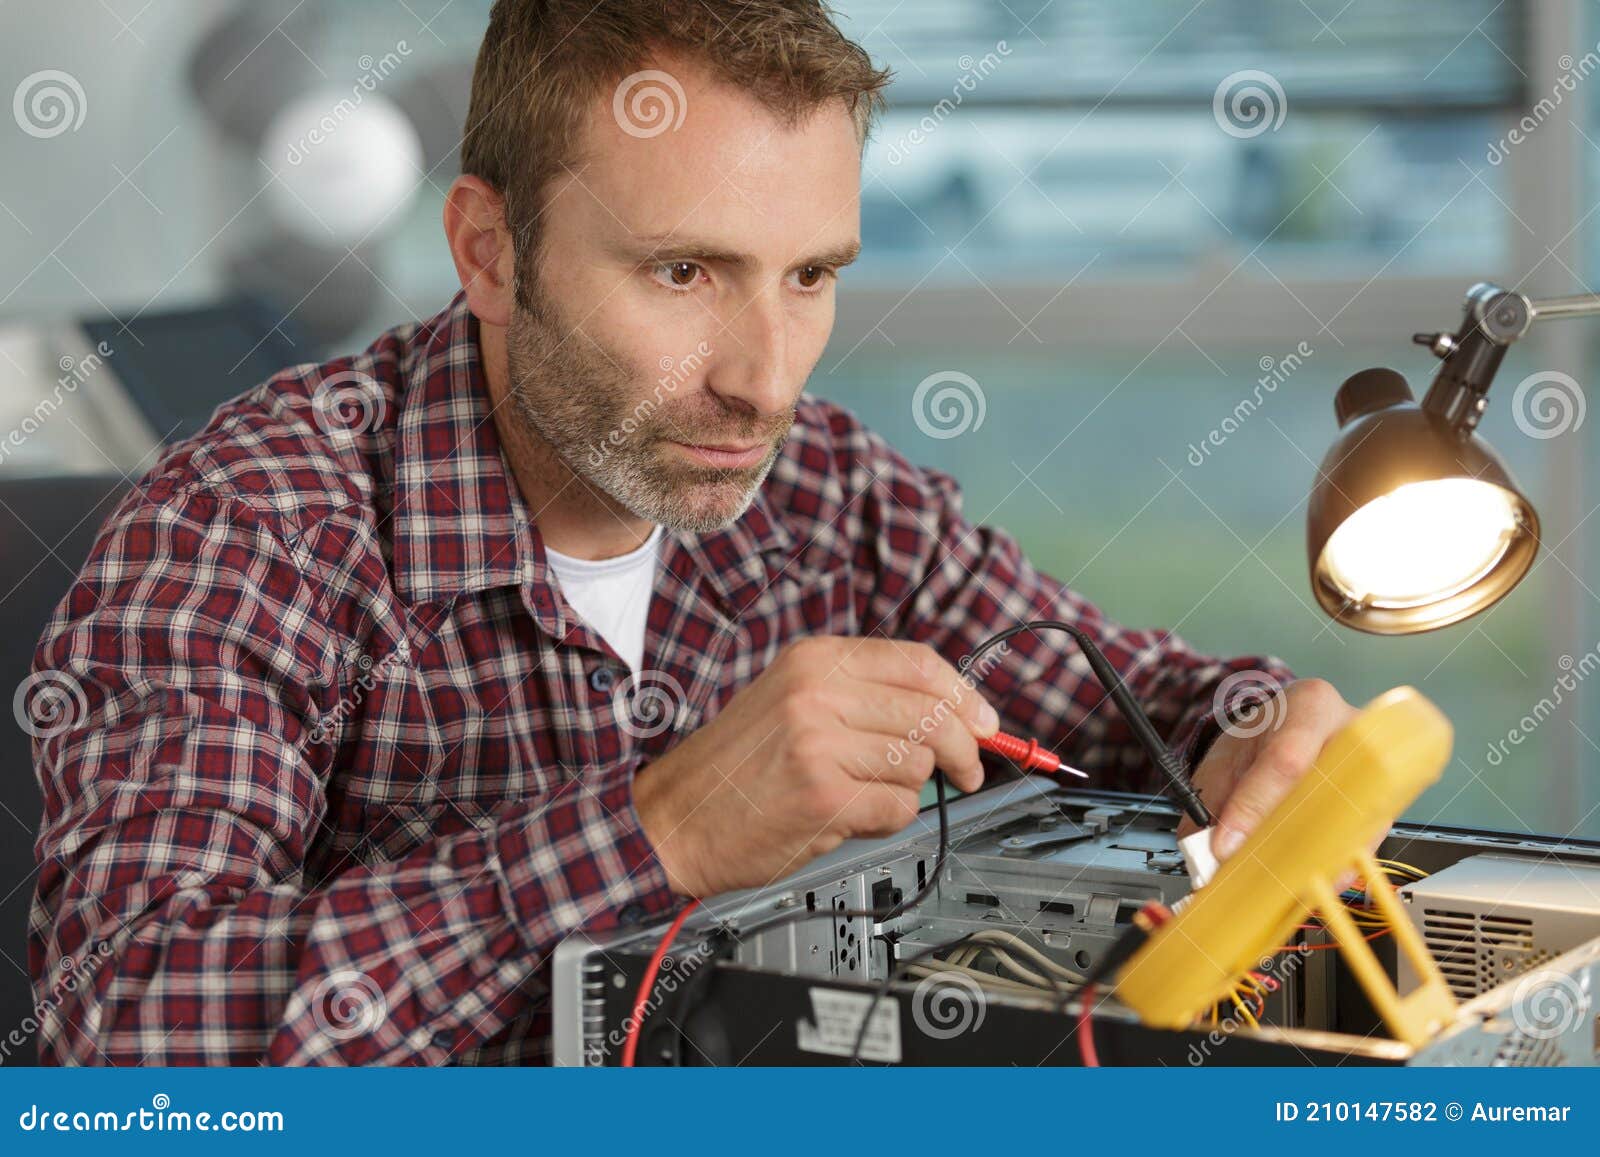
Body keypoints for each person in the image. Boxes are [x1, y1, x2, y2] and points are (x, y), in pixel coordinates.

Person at [26, 0, 1356, 1065]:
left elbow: (1127, 706)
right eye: (684, 272)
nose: (766, 378)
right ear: (487, 251)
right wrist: (660, 828)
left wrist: (1248, 723)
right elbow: (129, 1043)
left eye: (811, 276)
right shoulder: (245, 526)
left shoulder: (827, 489)